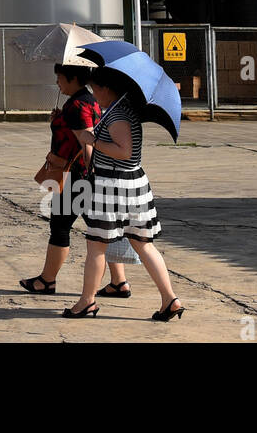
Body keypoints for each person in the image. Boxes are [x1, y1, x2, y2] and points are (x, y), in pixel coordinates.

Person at [63, 67, 185, 322]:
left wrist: (92, 140)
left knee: (96, 246)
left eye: (96, 89)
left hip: (114, 187)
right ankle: (169, 299)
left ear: (106, 88)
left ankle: (86, 302)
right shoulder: (122, 110)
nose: (94, 95)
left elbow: (124, 152)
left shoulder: (118, 114)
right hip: (132, 186)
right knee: (143, 244)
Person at [19, 63, 131, 298]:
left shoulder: (77, 105)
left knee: (60, 226)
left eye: (60, 78)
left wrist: (89, 174)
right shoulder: (90, 101)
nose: (58, 82)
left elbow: (86, 142)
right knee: (100, 228)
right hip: (87, 176)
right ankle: (119, 282)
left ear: (72, 79)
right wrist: (59, 120)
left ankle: (46, 281)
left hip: (77, 177)